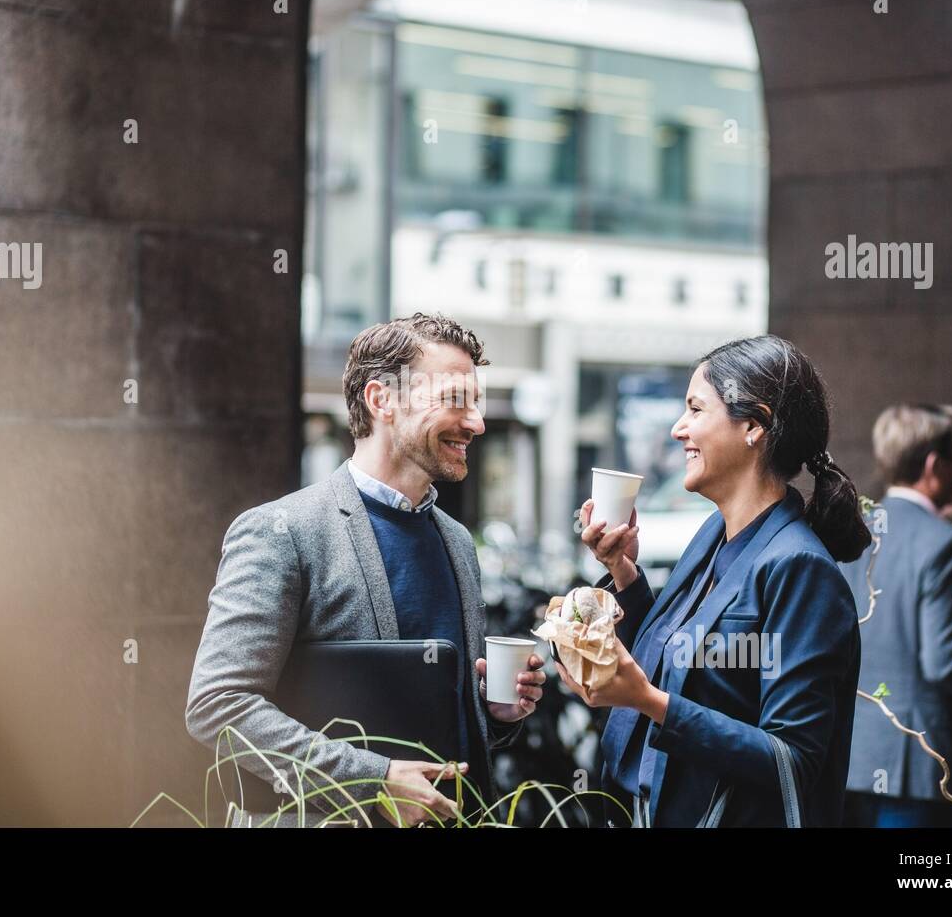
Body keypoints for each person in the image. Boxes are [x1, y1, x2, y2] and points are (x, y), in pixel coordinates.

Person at [186, 313, 544, 827]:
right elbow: (218, 705)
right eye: (454, 399)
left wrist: (490, 715)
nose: (476, 423)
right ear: (382, 401)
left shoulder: (458, 542)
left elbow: (430, 730)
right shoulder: (281, 531)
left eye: (477, 403)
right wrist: (372, 781)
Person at [559, 334, 868, 827]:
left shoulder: (798, 567)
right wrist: (623, 571)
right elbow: (677, 657)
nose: (679, 429)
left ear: (753, 425)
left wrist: (648, 701)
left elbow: (792, 760)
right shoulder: (713, 536)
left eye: (696, 409)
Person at [841, 404, 952, 827]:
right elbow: (945, 664)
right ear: (932, 465)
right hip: (914, 765)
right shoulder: (944, 544)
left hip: (848, 758)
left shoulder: (851, 530)